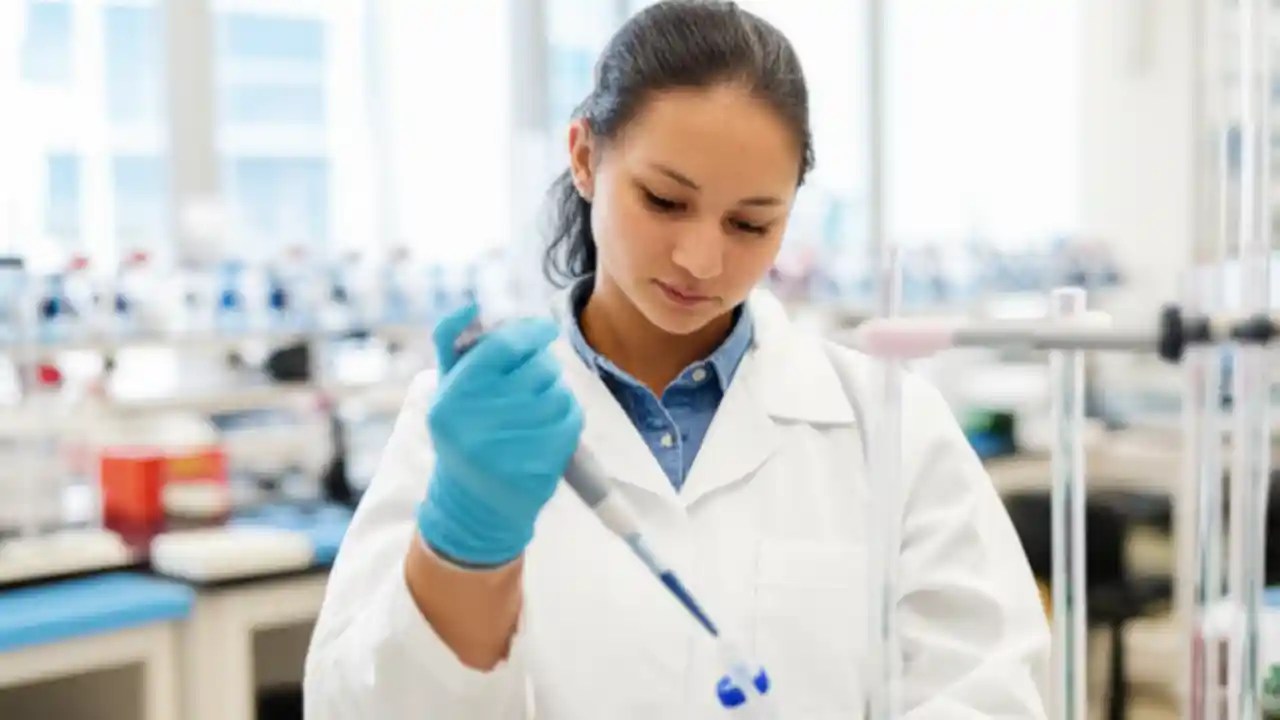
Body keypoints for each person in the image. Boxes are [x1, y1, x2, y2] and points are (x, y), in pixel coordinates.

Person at [304, 2, 1050, 717]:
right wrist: (464, 546)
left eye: (750, 223)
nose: (701, 260)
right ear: (585, 157)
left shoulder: (888, 423)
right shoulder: (468, 425)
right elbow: (359, 709)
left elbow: (987, 692)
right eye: (664, 201)